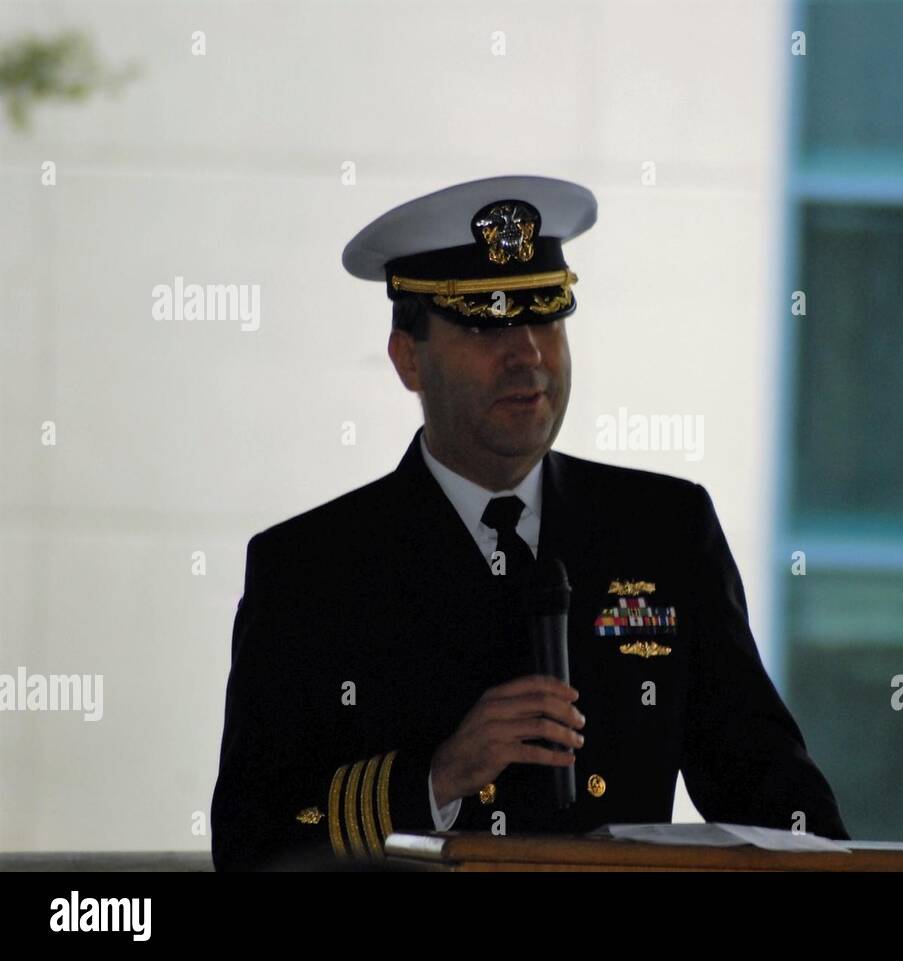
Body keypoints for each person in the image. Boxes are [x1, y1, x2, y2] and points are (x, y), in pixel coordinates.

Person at [210, 175, 848, 870]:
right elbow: (252, 834)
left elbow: (768, 787)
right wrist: (436, 776)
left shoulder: (664, 529)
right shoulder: (312, 568)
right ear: (407, 359)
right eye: (487, 321)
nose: (529, 354)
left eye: (545, 315)